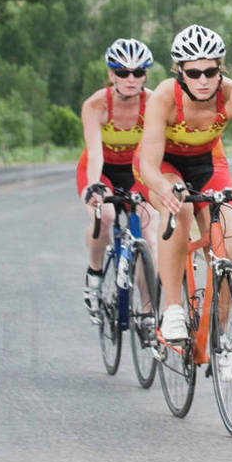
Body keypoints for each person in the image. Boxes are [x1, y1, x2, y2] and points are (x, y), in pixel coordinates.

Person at [134, 23, 232, 343]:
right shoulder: (164, 98)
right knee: (180, 210)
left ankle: (221, 336)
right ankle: (172, 309)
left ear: (220, 69)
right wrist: (161, 186)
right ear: (180, 71)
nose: (203, 80)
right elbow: (148, 162)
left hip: (207, 163)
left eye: (210, 71)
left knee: (225, 245)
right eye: (194, 72)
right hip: (163, 165)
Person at [77, 38, 155, 320]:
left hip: (135, 171)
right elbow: (95, 152)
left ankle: (148, 312)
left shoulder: (154, 102)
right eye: (123, 72)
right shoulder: (96, 104)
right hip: (101, 171)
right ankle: (94, 276)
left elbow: (155, 150)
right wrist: (95, 185)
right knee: (105, 216)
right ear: (111, 74)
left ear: (146, 74)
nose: (131, 78)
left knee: (147, 232)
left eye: (138, 72)